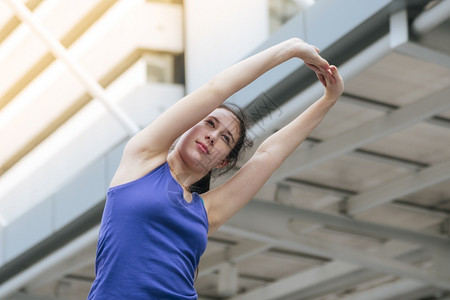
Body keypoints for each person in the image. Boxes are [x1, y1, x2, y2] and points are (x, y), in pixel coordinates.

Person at [87, 38, 344, 299]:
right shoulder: (141, 159)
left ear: (223, 161)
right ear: (187, 124)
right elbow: (216, 89)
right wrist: (289, 49)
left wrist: (329, 99)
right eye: (210, 123)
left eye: (225, 139)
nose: (213, 136)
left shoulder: (206, 212)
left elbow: (268, 155)